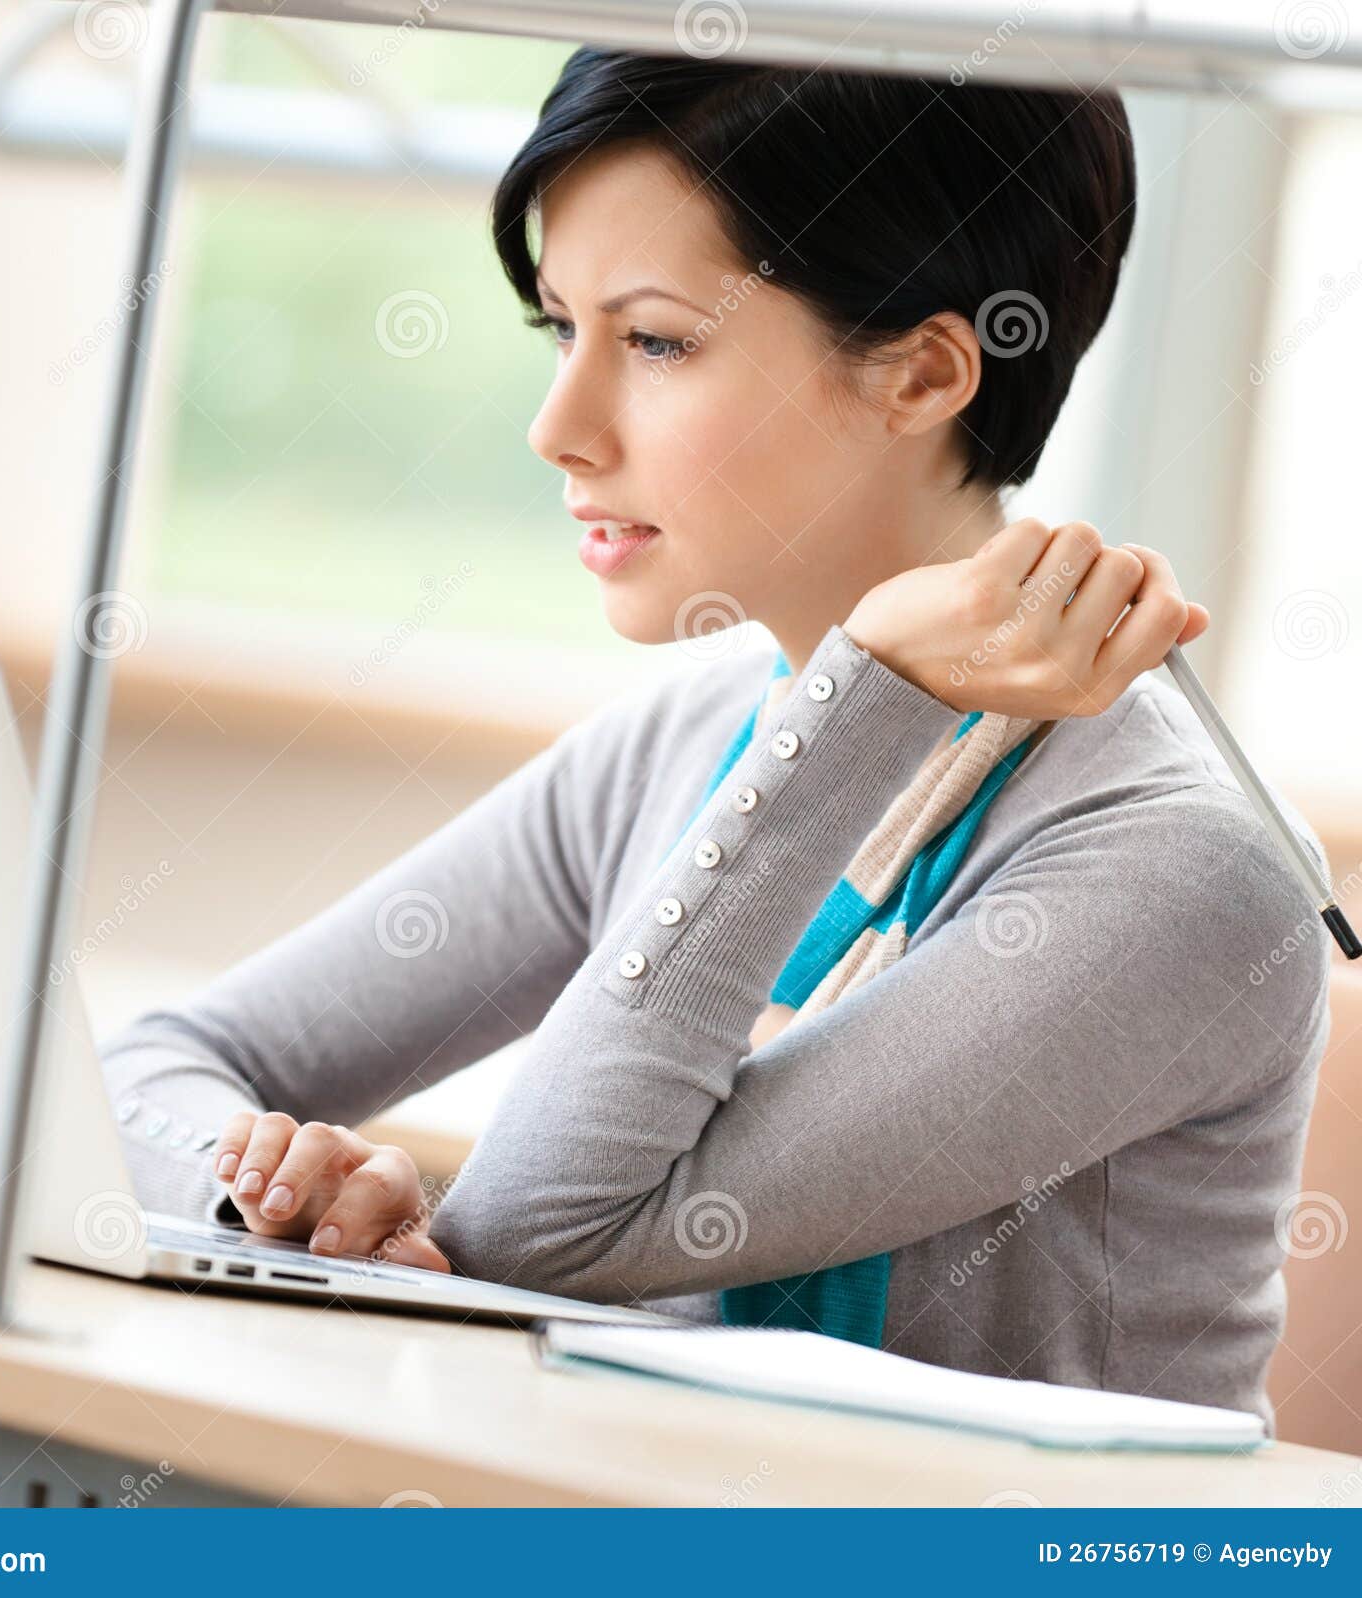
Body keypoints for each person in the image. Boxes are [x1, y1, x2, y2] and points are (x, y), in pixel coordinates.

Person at [99, 51, 1331, 1423]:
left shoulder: (1184, 873)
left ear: (924, 372)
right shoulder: (676, 742)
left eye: (658, 340)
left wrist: (869, 686)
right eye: (558, 329)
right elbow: (140, 1066)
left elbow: (544, 1233)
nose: (558, 428)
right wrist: (277, 1186)